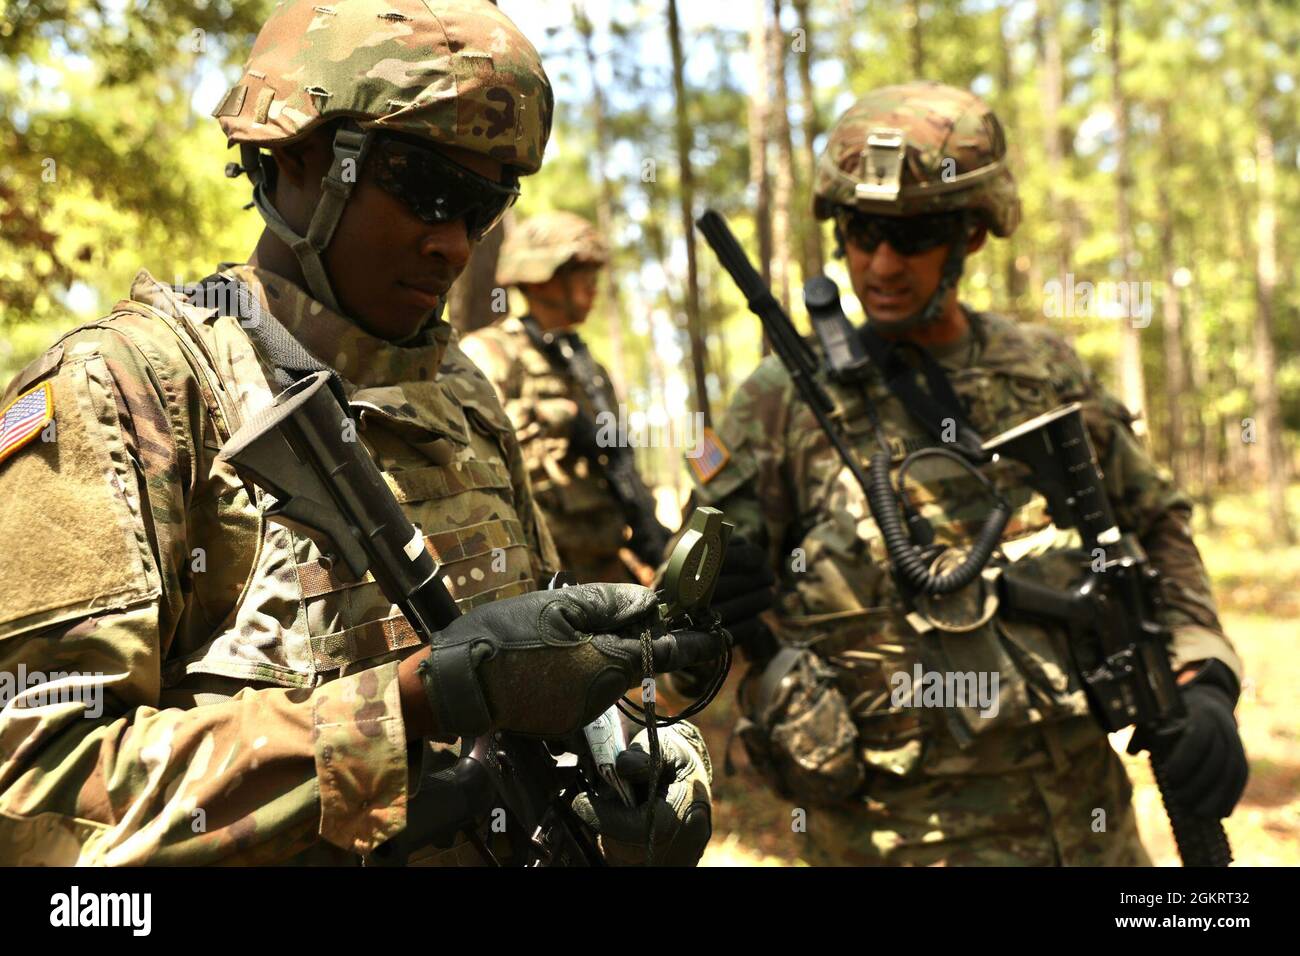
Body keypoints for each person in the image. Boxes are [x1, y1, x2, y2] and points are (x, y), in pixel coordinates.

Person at [0, 0, 711, 867]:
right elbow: (35, 800)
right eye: (427, 188)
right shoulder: (123, 392)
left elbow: (544, 666)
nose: (453, 243)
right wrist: (415, 705)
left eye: (486, 203)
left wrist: (638, 759)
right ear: (294, 157)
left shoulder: (460, 390)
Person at [686, 82, 1247, 865]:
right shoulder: (777, 405)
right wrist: (719, 602)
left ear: (972, 235)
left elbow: (1153, 522)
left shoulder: (1043, 370)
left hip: (1086, 831)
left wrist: (1203, 673)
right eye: (860, 231)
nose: (880, 264)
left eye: (913, 237)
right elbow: (688, 609)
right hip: (895, 841)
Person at [462, 212, 669, 584]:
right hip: (534, 576)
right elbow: (471, 459)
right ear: (541, 280)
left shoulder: (589, 370)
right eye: (581, 275)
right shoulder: (490, 354)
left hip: (604, 565)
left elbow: (619, 461)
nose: (593, 287)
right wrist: (560, 419)